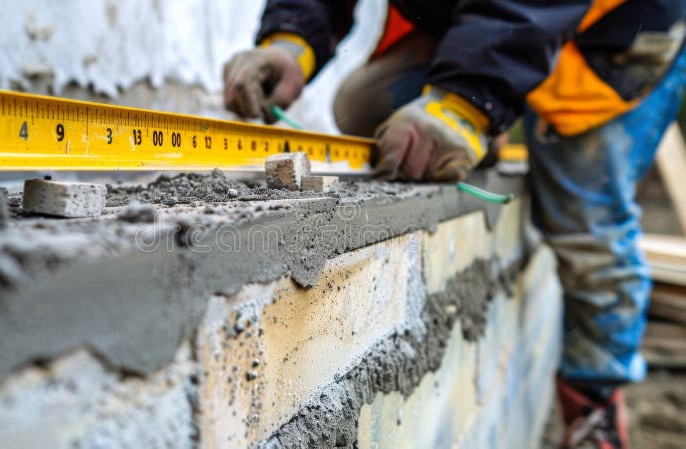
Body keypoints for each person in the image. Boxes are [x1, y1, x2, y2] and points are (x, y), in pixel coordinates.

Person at [222, 1, 686, 448]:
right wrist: (291, 41)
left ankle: (595, 398)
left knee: (586, 218)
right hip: (485, 24)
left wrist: (467, 103)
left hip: (608, 36)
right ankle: (490, 117)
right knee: (365, 105)